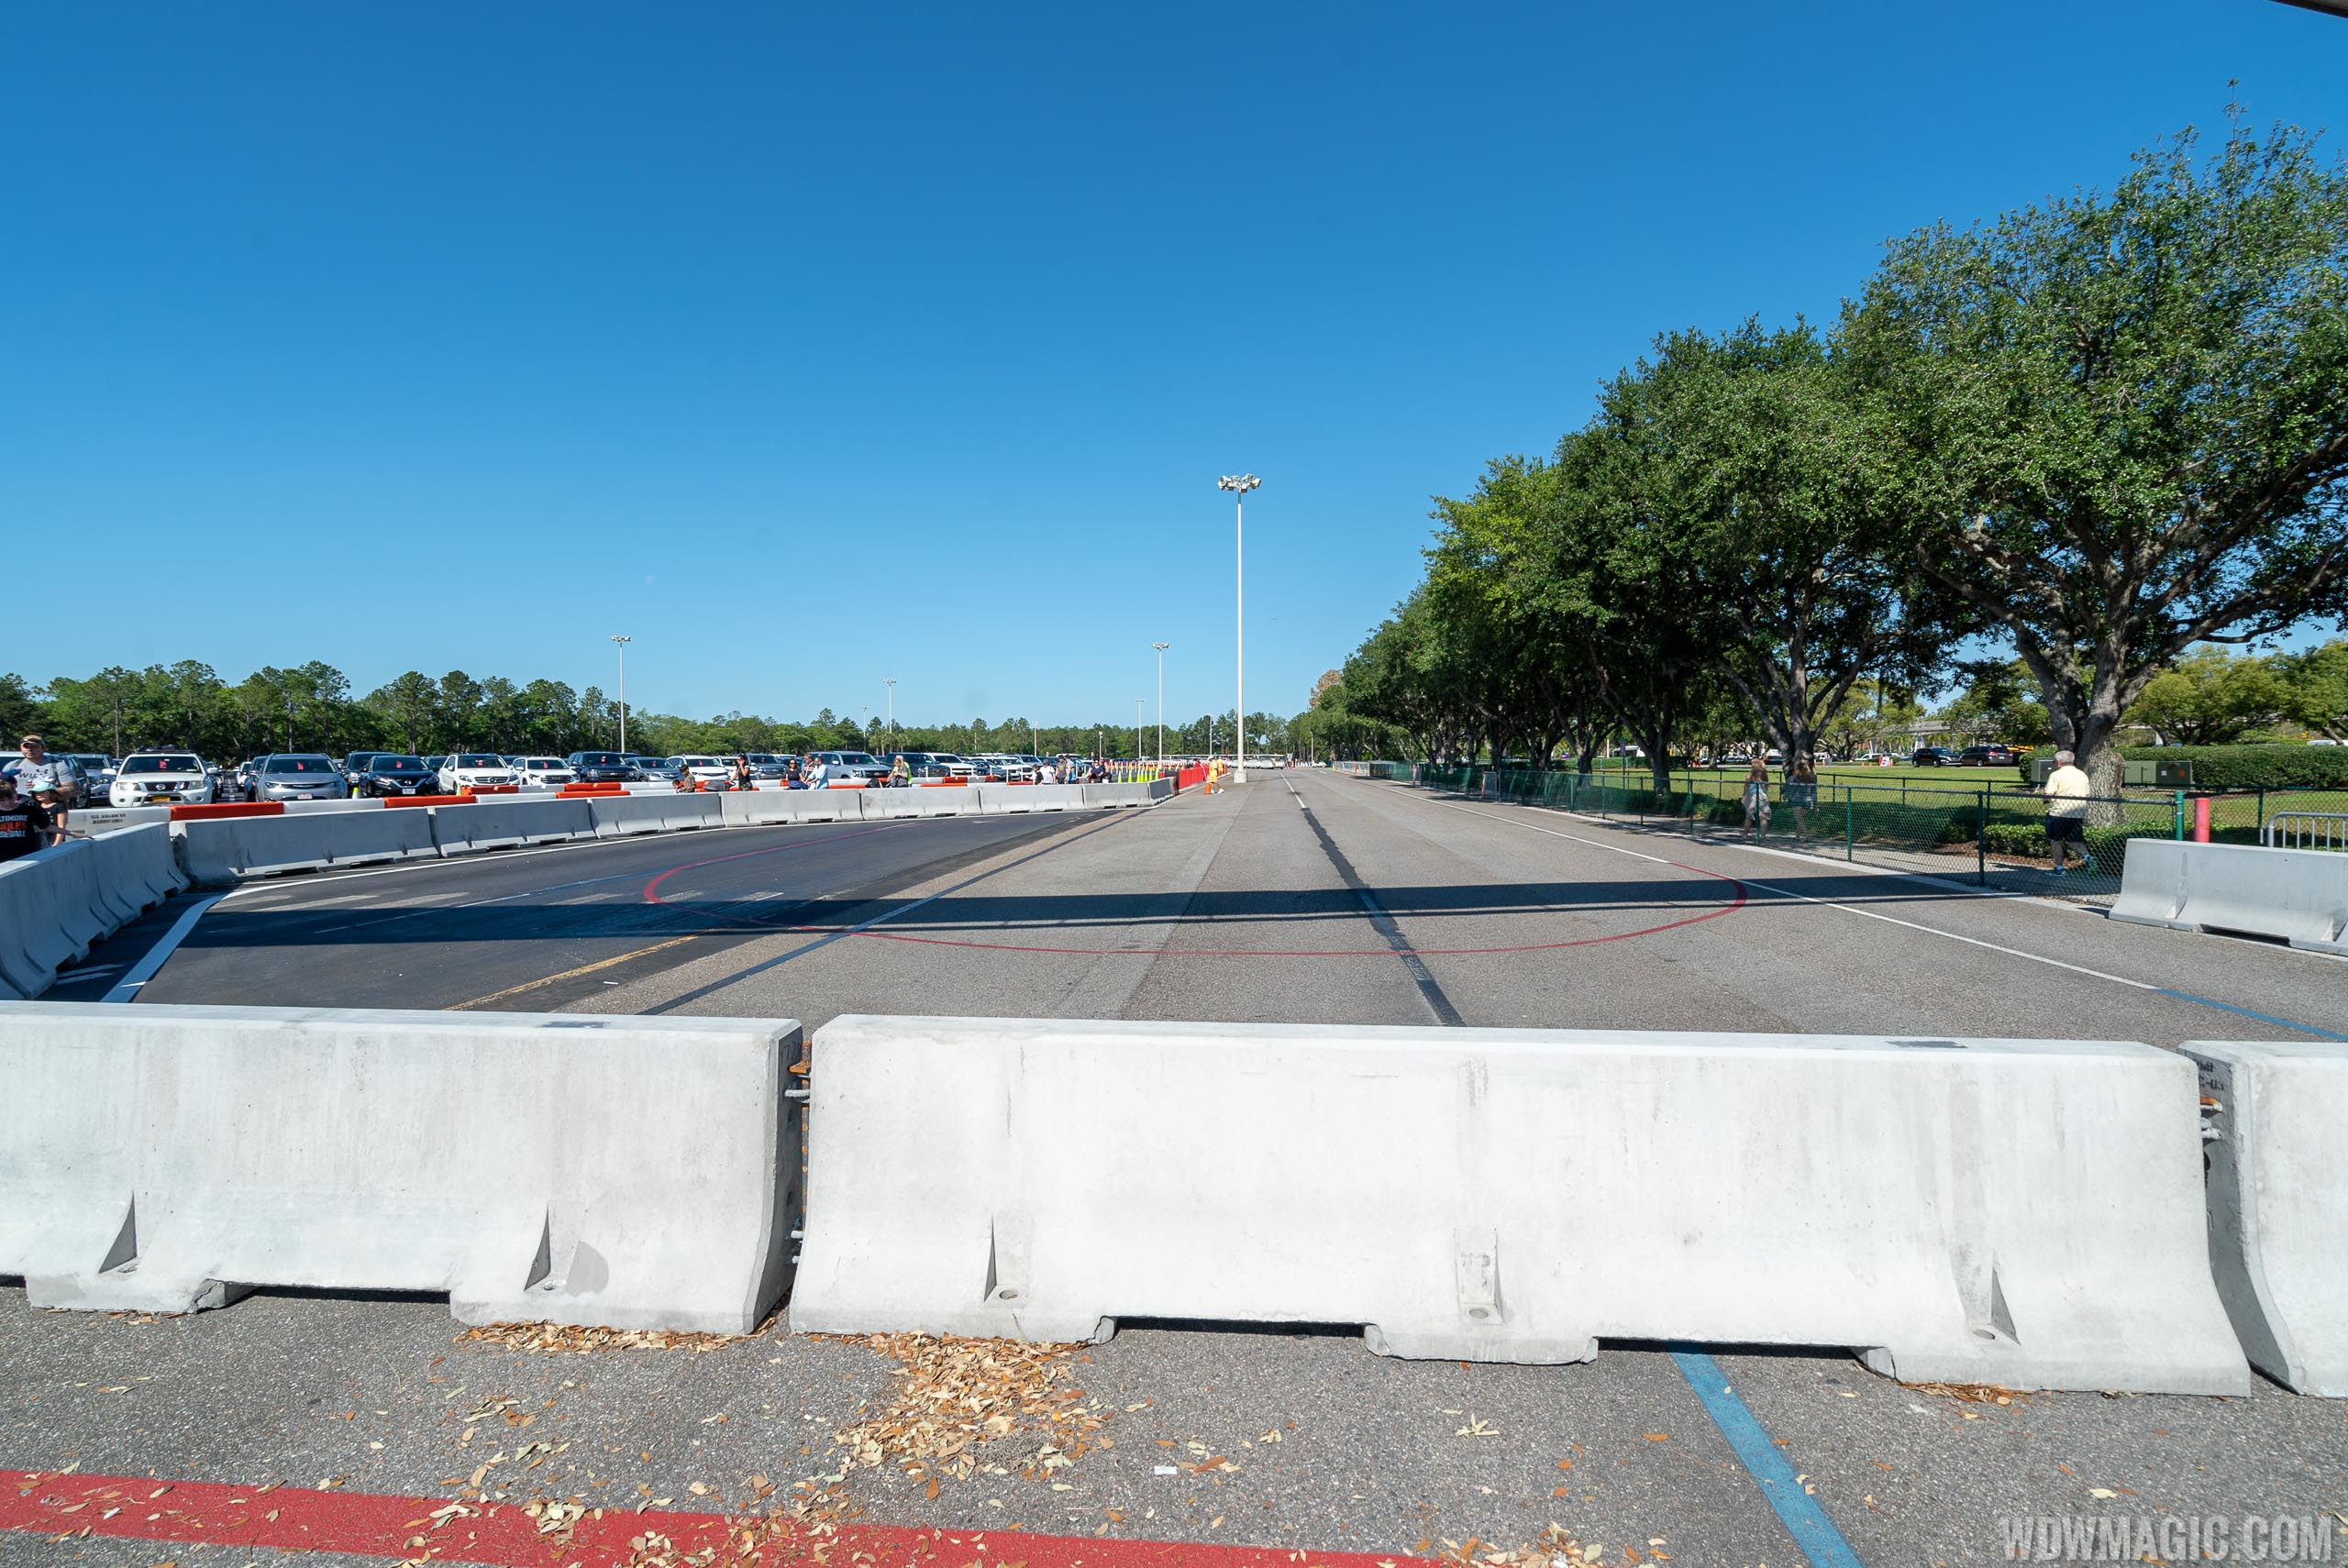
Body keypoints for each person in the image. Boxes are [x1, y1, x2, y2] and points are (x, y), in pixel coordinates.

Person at [2042, 748, 2094, 877]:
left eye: (2054, 761)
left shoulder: (2056, 775)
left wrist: (2045, 799)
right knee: (2074, 840)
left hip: (2058, 813)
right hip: (2077, 813)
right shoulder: (2082, 774)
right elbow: (2087, 794)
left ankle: (2059, 868)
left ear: (2059, 762)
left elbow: (2049, 794)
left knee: (2055, 841)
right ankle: (2089, 858)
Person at [9, 734, 69, 833]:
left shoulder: (57, 766)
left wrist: (46, 788)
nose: (29, 749)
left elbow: (73, 789)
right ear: (21, 748)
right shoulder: (13, 766)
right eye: (26, 746)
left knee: (46, 844)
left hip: (46, 812)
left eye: (34, 747)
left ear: (43, 748)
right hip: (19, 813)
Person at [0, 772, 56, 863]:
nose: (6, 802)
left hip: (26, 854)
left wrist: (72, 833)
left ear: (14, 787)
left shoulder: (28, 804)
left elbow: (45, 826)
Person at [1785, 754, 1818, 837]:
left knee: (1799, 819)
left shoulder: (1793, 778)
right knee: (1801, 819)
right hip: (1807, 800)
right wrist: (1815, 802)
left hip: (1796, 800)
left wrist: (1786, 795)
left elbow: (1788, 788)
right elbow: (1814, 791)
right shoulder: (1812, 778)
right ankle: (1797, 835)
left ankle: (1806, 835)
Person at [1741, 755, 1772, 839]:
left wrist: (1744, 796)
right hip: (1762, 795)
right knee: (1763, 816)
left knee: (1749, 816)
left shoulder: (1750, 774)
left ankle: (1745, 834)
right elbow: (1765, 786)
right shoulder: (1764, 774)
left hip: (1752, 796)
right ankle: (1763, 836)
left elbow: (1746, 785)